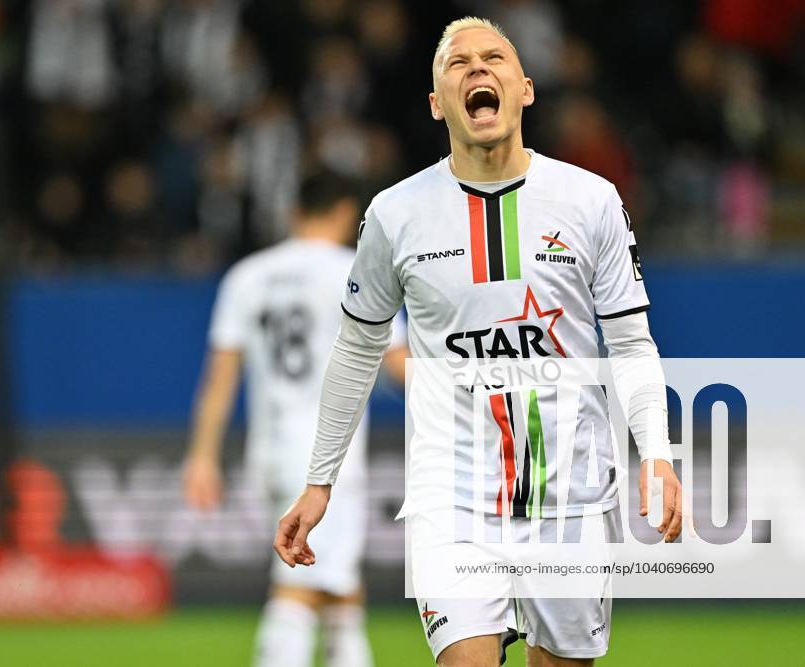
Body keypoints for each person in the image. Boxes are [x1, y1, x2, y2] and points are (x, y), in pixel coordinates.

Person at [274, 17, 683, 667]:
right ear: (437, 103)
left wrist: (655, 451)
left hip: (570, 492)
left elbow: (631, 343)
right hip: (451, 493)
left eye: (494, 57)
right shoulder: (395, 214)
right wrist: (319, 480)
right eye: (457, 63)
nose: (477, 68)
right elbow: (356, 351)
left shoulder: (591, 201)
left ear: (525, 89)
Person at [183, 170, 407, 667]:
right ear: (346, 214)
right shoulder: (356, 271)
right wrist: (468, 388)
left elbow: (220, 378)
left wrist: (202, 457)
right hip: (329, 457)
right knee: (300, 586)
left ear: (294, 212)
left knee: (340, 590)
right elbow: (398, 367)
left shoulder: (248, 275)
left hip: (270, 449)